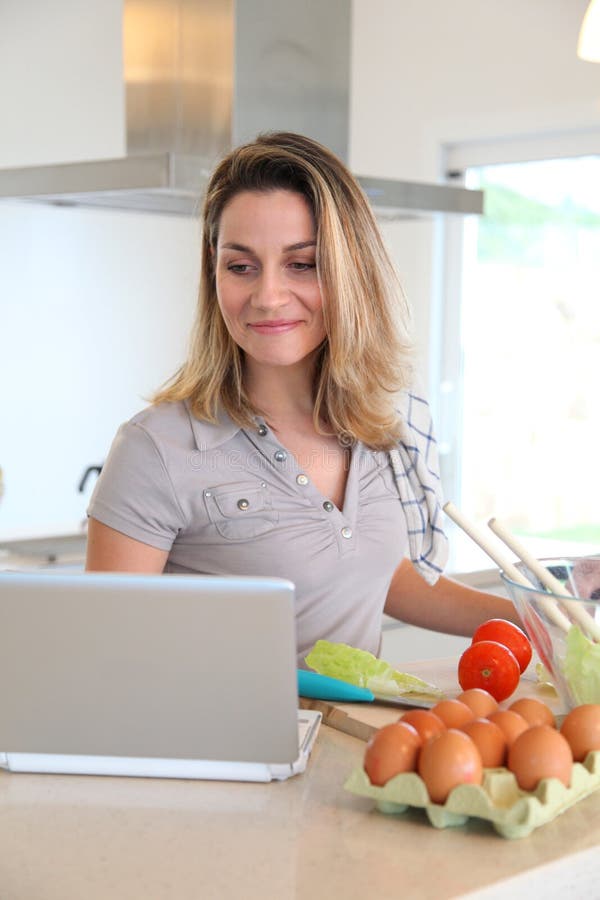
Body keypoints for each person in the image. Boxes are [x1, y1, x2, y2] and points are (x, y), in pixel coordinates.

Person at [86, 131, 520, 667]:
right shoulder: (157, 448)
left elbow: (372, 575)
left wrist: (540, 618)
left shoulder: (386, 424)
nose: (267, 297)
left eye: (303, 263)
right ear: (213, 273)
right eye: (240, 266)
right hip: (228, 750)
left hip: (357, 750)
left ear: (350, 272)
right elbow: (106, 662)